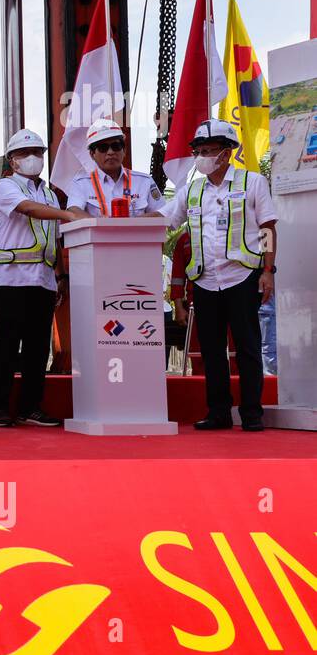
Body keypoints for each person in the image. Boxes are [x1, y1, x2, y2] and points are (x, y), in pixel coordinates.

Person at [160, 119, 276, 432]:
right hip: (206, 280)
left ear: (225, 153)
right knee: (212, 351)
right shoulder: (191, 190)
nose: (200, 156)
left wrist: (268, 271)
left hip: (243, 277)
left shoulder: (252, 183)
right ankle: (219, 412)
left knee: (248, 347)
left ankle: (252, 413)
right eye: (197, 151)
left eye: (206, 150)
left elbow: (267, 228)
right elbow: (163, 221)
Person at [0, 129, 75, 428]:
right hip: (10, 278)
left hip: (43, 279)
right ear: (12, 160)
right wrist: (69, 215)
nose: (33, 158)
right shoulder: (6, 187)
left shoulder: (49, 193)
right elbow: (29, 211)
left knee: (38, 347)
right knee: (7, 345)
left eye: (37, 152)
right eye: (25, 154)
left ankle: (30, 407)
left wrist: (60, 275)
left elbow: (54, 238)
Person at [65, 118, 165, 219]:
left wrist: (132, 223)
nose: (110, 152)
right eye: (103, 148)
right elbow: (75, 212)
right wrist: (103, 224)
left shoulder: (144, 182)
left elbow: (163, 214)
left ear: (124, 150)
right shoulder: (81, 183)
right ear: (92, 154)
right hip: (99, 235)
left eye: (116, 146)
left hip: (135, 235)